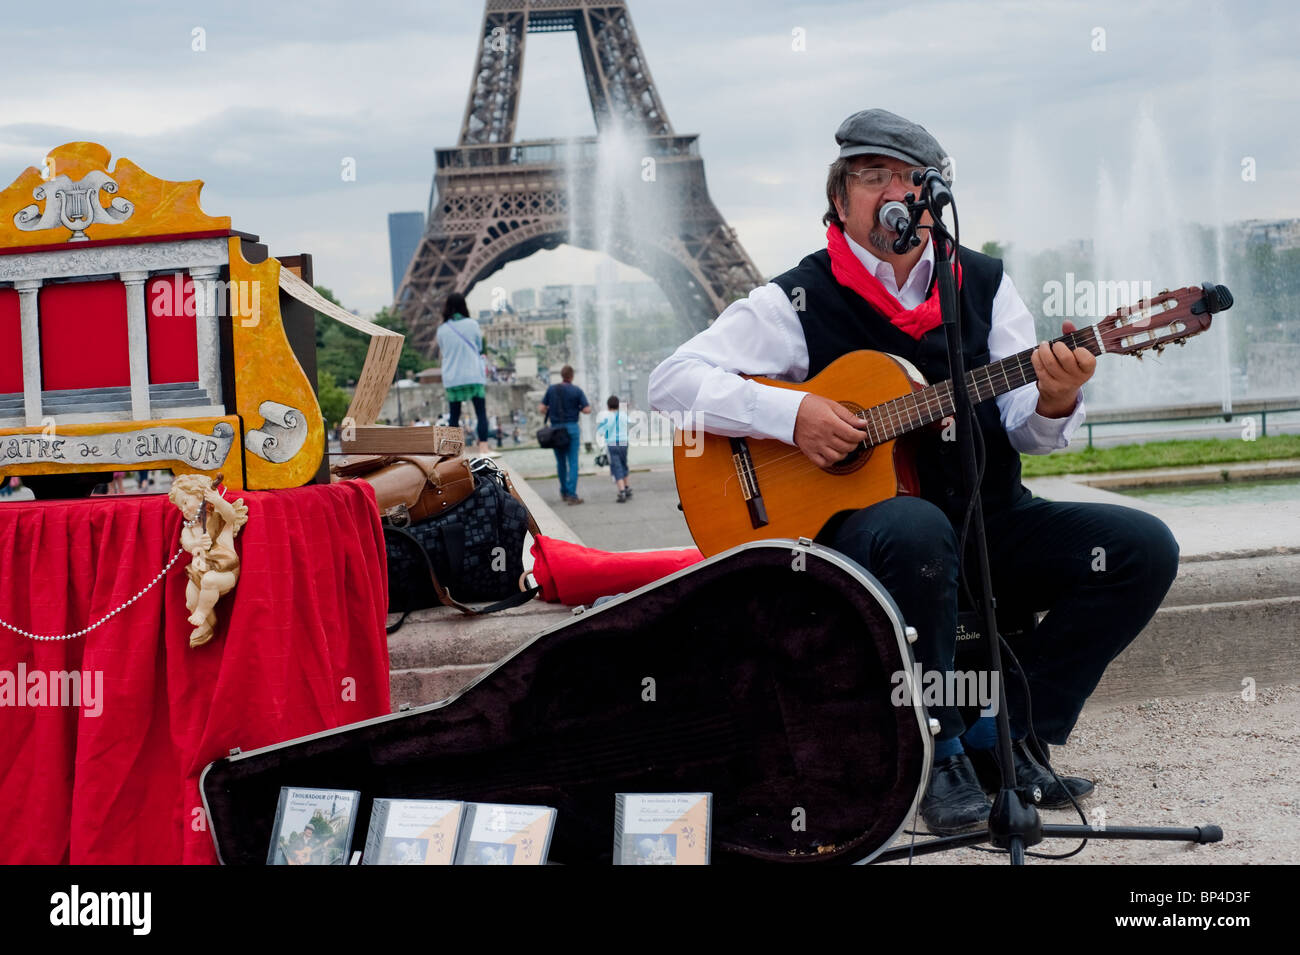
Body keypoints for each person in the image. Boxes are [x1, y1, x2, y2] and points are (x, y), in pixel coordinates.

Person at [648, 108, 1179, 835]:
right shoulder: (797, 299)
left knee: (1142, 548)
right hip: (868, 544)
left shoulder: (985, 285)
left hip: (985, 526)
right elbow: (671, 383)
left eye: (910, 179)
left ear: (933, 197)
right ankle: (936, 748)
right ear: (841, 198)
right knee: (914, 525)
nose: (893, 190)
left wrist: (1056, 395)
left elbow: (1032, 430)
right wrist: (791, 417)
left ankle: (1008, 732)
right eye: (872, 177)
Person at [436, 292, 492, 456]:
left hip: (453, 377)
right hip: (473, 374)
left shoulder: (442, 330)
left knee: (454, 415)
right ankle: (484, 447)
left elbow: (444, 351)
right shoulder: (472, 324)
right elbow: (479, 346)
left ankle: (453, 450)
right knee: (480, 412)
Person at [539, 365, 592, 505]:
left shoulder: (551, 389)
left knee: (561, 462)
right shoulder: (577, 391)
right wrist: (578, 408)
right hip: (572, 428)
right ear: (572, 376)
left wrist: (552, 412)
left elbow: (541, 408)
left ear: (562, 376)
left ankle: (563, 491)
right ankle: (572, 494)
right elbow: (587, 410)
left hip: (556, 430)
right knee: (573, 462)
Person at [596, 395, 632, 502]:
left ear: (608, 406)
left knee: (616, 467)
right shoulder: (623, 415)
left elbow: (600, 431)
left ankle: (622, 492)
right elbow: (630, 422)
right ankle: (627, 487)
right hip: (624, 443)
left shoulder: (606, 417)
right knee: (623, 463)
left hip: (612, 444)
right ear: (618, 405)